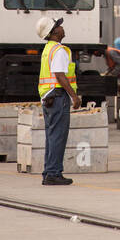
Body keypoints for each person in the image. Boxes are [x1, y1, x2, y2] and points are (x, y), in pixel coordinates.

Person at [36, 15, 80, 185]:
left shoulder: (48, 48)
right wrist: (74, 96)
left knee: (51, 135)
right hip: (58, 96)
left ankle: (49, 172)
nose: (62, 28)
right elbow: (60, 76)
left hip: (48, 97)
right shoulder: (59, 50)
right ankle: (53, 173)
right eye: (58, 26)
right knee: (58, 136)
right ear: (54, 32)